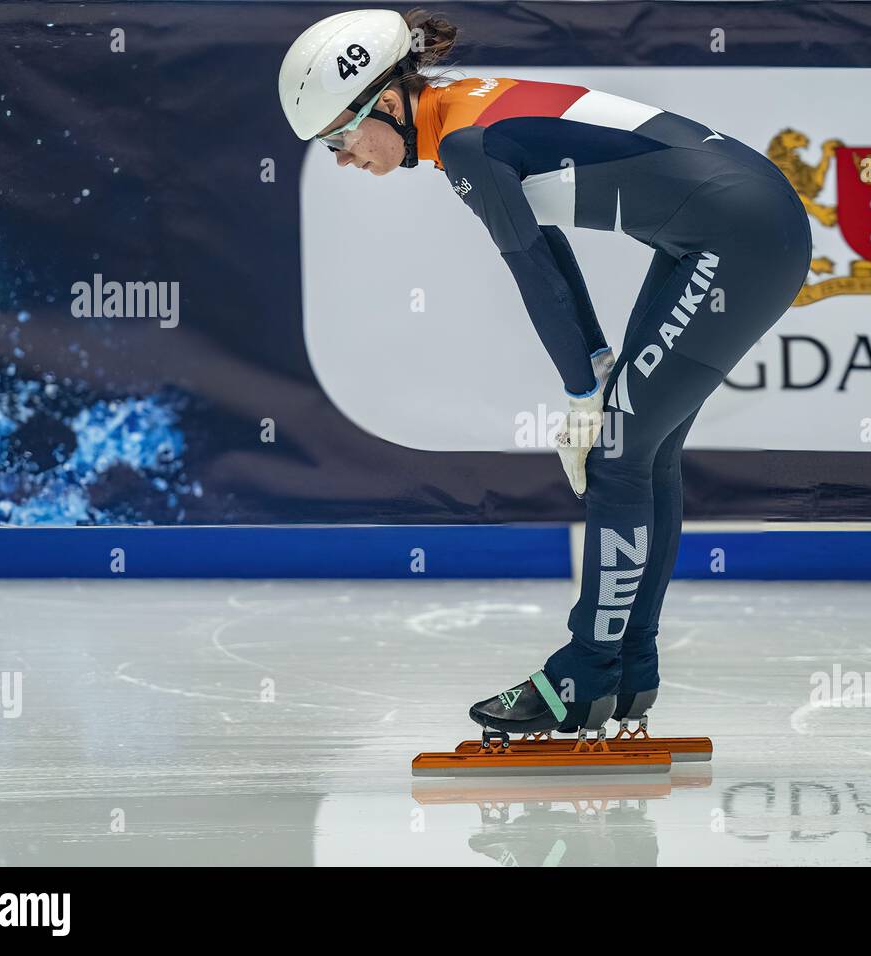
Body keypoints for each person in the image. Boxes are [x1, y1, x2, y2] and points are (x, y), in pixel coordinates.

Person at [280, 8, 812, 739]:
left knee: (618, 451)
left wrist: (583, 395)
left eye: (340, 137)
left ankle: (587, 671)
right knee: (642, 450)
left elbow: (531, 267)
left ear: (390, 102)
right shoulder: (460, 120)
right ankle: (629, 668)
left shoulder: (466, 143)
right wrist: (592, 370)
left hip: (738, 235)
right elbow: (547, 248)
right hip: (728, 227)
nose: (342, 157)